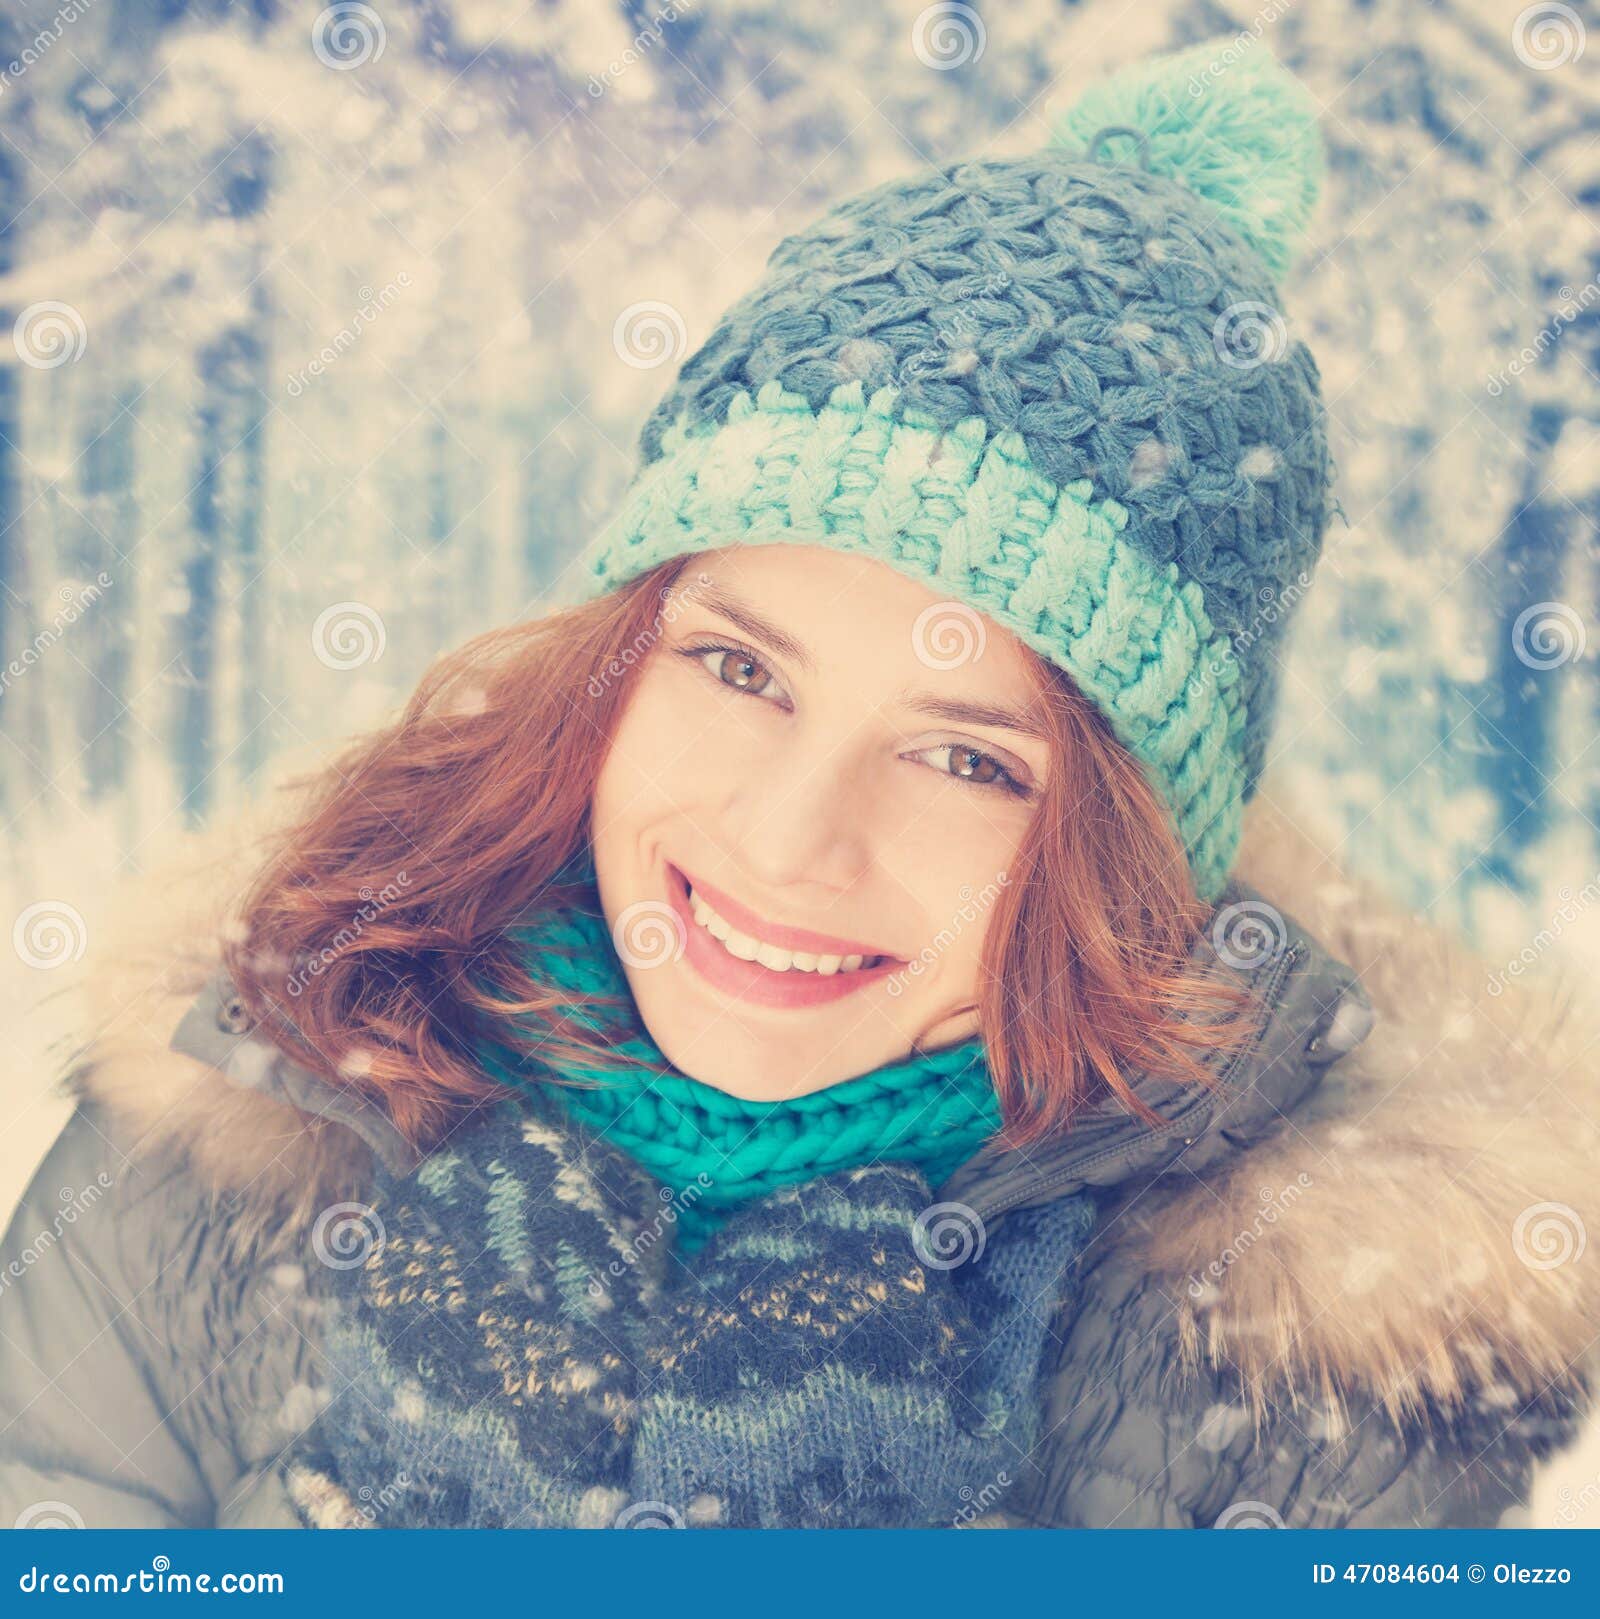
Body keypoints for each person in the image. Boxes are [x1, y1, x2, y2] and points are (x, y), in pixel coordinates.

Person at [2, 40, 1595, 1531]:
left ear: (1126, 862)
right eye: (741, 669)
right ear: (616, 661)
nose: (785, 839)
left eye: (969, 757)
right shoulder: (241, 1104)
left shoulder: (1317, 1371)